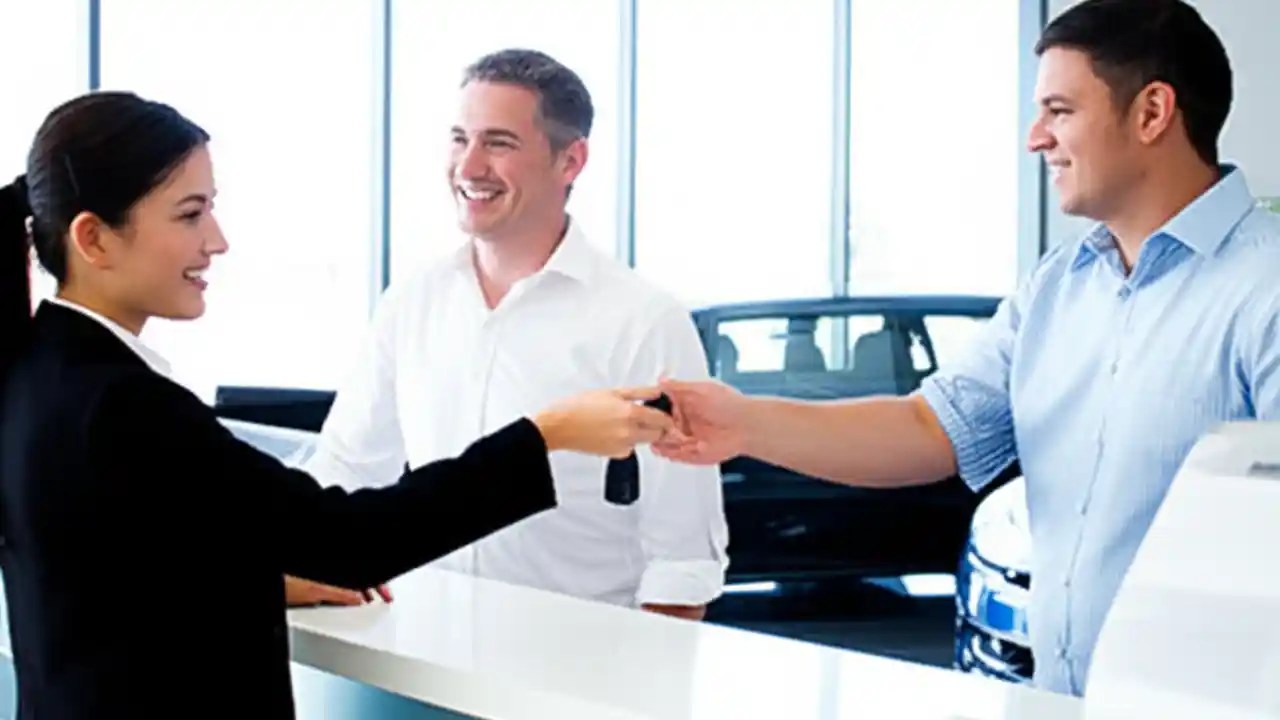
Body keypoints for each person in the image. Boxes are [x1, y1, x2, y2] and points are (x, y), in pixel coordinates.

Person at [653, 0, 1280, 697]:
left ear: (1153, 112)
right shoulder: (1054, 289)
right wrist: (739, 423)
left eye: (1060, 110)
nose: (1035, 138)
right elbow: (928, 428)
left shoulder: (1267, 289)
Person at [0, 91, 677, 719]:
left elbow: (117, 572)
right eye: (190, 213)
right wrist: (545, 433)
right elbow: (350, 539)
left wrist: (252, 574)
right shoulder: (124, 406)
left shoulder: (35, 370)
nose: (217, 239)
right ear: (93, 239)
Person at [304, 49, 729, 618]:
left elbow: (682, 561)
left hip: (575, 677)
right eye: (460, 139)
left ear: (570, 160)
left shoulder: (643, 321)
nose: (469, 166)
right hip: (413, 657)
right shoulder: (411, 302)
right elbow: (348, 471)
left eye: (498, 143)